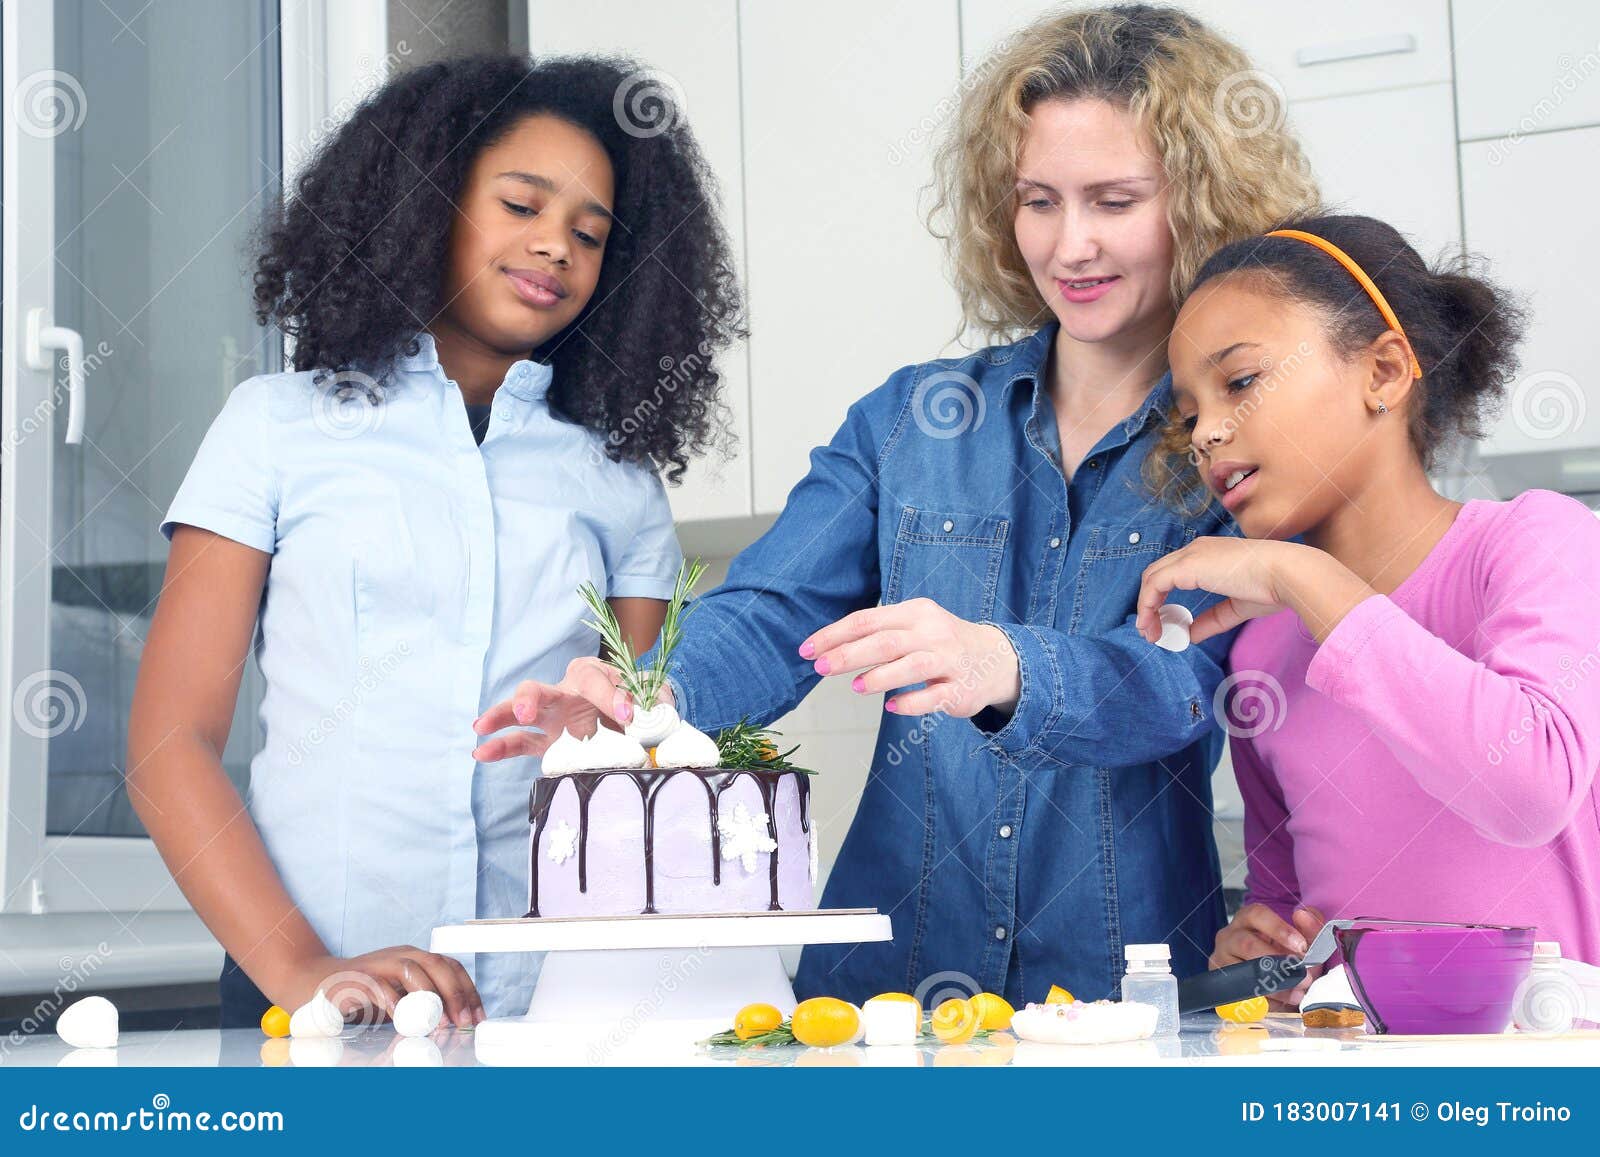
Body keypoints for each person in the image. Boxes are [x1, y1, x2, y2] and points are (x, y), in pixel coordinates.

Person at [473, 5, 1321, 1005]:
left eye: (1114, 200)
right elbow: (772, 610)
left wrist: (1002, 665)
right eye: (1038, 201)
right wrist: (650, 701)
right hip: (879, 1002)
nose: (1071, 244)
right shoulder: (914, 421)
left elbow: (1182, 686)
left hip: (1123, 1000)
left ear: (1202, 204)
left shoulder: (1239, 448)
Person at [128, 54, 742, 1026]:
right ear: (426, 205)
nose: (555, 246)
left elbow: (650, 757)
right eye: (521, 205)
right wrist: (301, 967)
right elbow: (171, 744)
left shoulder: (619, 482)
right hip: (307, 1000)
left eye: (590, 234)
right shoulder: (273, 428)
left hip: (544, 1013)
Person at [1137, 214, 1600, 998]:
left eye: (1240, 382)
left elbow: (1527, 791)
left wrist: (1301, 578)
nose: (1207, 434)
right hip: (1351, 1063)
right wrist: (1257, 953)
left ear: (1383, 371)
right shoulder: (1260, 654)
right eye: (1189, 417)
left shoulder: (1539, 542)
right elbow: (1287, 911)